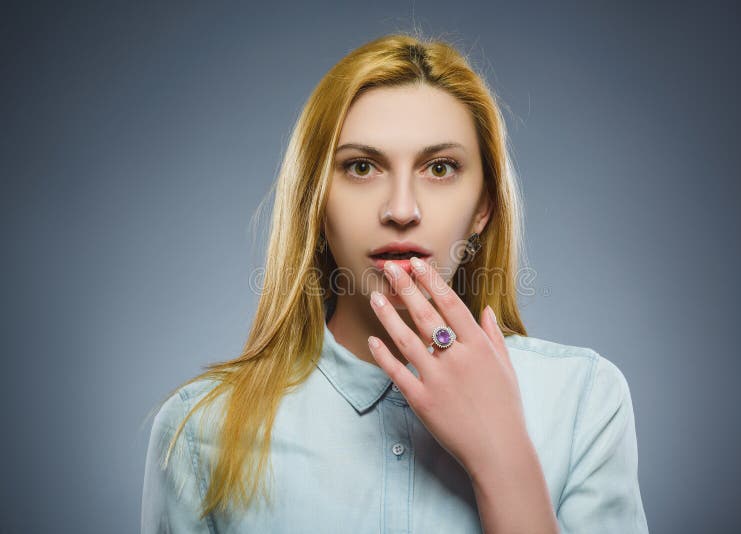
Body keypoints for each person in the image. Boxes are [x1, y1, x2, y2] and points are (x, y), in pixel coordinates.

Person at [141, 32, 649, 534]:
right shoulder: (199, 431)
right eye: (362, 167)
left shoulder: (584, 400)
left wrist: (502, 459)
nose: (401, 210)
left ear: (483, 208)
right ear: (316, 203)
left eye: (440, 168)